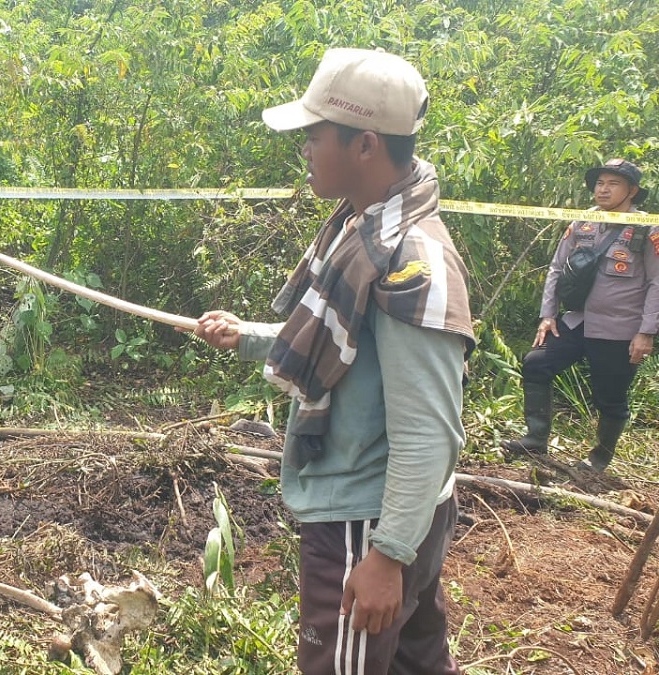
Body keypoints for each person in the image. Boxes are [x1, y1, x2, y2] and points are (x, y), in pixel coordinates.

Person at [186, 48, 474, 674]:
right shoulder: (366, 229)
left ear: (365, 144)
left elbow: (430, 431)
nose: (307, 150)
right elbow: (347, 346)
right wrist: (251, 335)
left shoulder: (409, 260)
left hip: (366, 523)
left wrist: (388, 555)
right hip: (387, 512)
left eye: (315, 136)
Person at [501, 159, 657, 471]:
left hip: (619, 329)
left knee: (609, 397)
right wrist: (548, 314)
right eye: (600, 183)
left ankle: (599, 460)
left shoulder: (648, 229)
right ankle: (536, 439)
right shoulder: (581, 222)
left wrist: (646, 332)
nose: (603, 188)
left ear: (632, 191)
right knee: (536, 363)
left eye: (613, 183)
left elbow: (657, 281)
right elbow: (557, 267)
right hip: (576, 321)